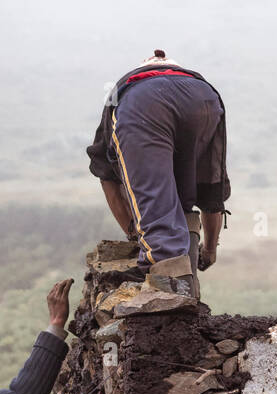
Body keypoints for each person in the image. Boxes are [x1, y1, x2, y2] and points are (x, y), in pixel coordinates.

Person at [86, 49, 230, 306]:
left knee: (153, 196)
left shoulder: (127, 93)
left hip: (144, 102)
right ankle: (187, 283)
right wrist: (209, 250)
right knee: (185, 193)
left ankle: (168, 301)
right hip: (205, 99)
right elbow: (212, 185)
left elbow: (106, 175)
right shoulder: (193, 83)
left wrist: (134, 232)